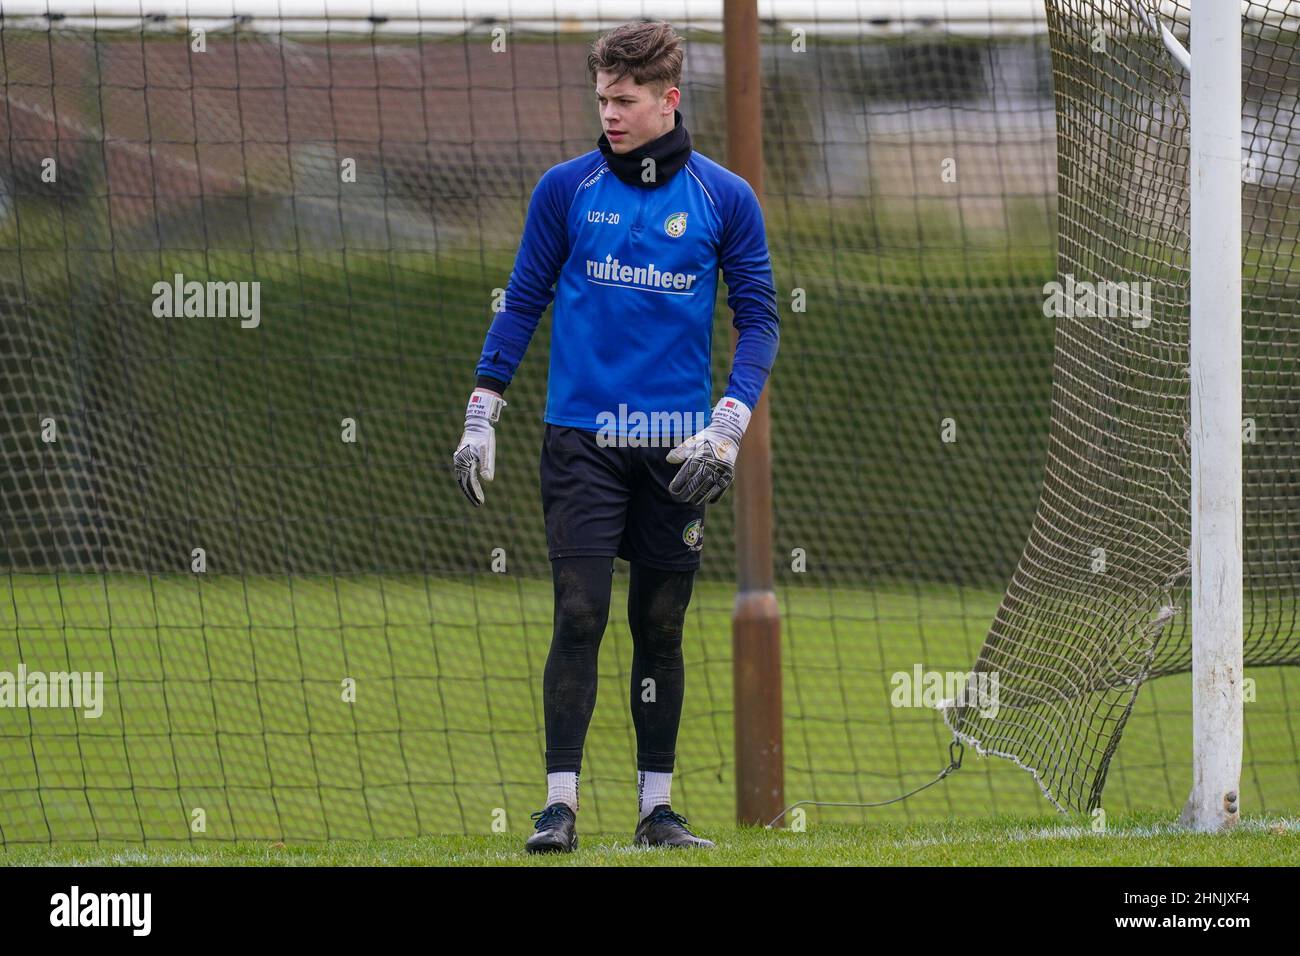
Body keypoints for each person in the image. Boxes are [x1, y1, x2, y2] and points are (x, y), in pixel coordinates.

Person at [453, 20, 779, 853]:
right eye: (602, 99)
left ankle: (657, 811)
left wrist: (728, 429)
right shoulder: (564, 190)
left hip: (678, 449)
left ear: (669, 100)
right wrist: (482, 409)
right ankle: (558, 806)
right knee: (579, 612)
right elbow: (522, 300)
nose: (611, 115)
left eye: (625, 100)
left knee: (662, 625)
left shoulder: (724, 198)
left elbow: (761, 321)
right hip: (581, 442)